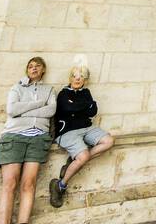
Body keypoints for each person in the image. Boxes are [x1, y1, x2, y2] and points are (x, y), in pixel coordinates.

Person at [0, 56, 56, 224]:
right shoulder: (17, 88)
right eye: (30, 66)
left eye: (37, 66)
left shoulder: (49, 90)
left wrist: (25, 110)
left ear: (43, 69)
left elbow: (51, 111)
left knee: (28, 184)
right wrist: (39, 104)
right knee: (9, 183)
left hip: (38, 137)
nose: (34, 68)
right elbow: (12, 110)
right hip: (14, 137)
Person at [48, 65, 114, 208]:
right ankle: (60, 185)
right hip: (67, 131)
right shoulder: (63, 94)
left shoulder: (86, 92)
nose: (78, 79)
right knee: (83, 156)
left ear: (85, 79)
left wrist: (79, 106)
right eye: (75, 76)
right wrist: (84, 106)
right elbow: (68, 108)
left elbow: (93, 111)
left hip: (86, 127)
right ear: (70, 78)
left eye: (81, 76)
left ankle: (73, 161)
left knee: (108, 141)